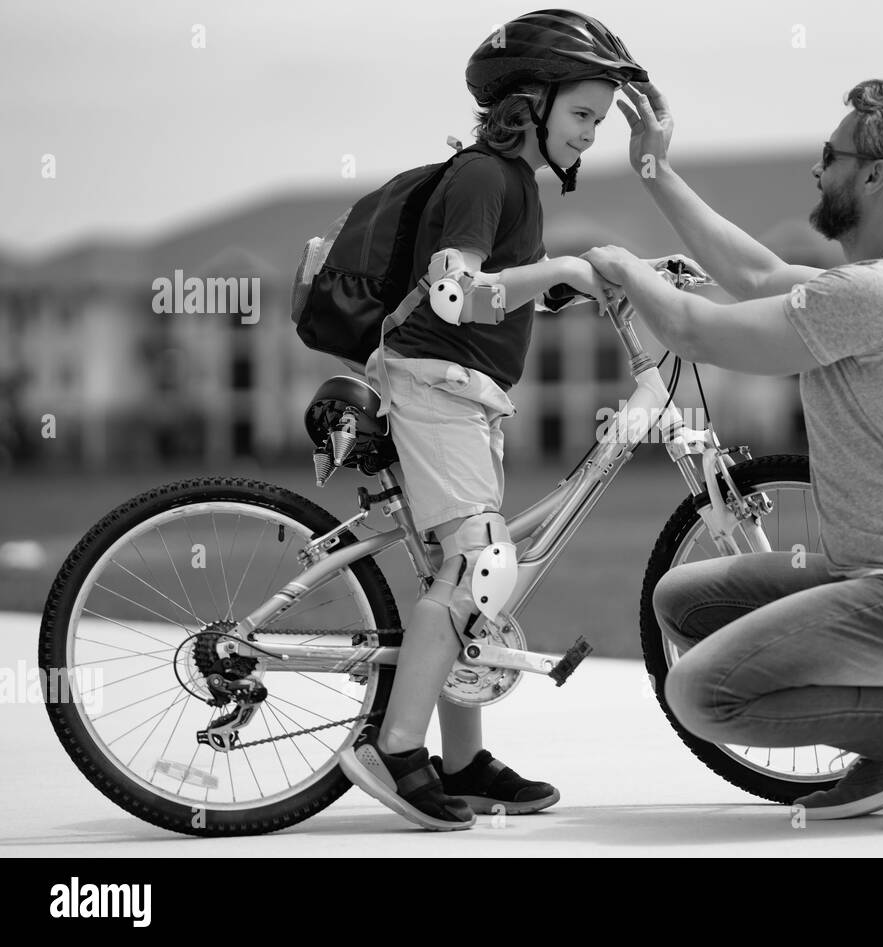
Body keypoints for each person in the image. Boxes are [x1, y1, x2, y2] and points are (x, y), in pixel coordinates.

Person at [582, 78, 883, 830]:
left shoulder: (879, 296)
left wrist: (624, 269)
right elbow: (752, 275)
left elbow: (695, 332)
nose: (818, 171)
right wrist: (654, 170)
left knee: (699, 694)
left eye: (832, 154)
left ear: (876, 176)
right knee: (685, 601)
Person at [338, 9, 643, 831]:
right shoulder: (484, 176)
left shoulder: (518, 186)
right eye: (581, 115)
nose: (590, 134)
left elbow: (507, 288)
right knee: (478, 563)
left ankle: (464, 762)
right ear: (529, 104)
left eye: (599, 121)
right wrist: (565, 266)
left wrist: (603, 278)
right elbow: (454, 289)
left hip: (466, 392)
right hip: (434, 383)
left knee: (468, 574)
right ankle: (396, 750)